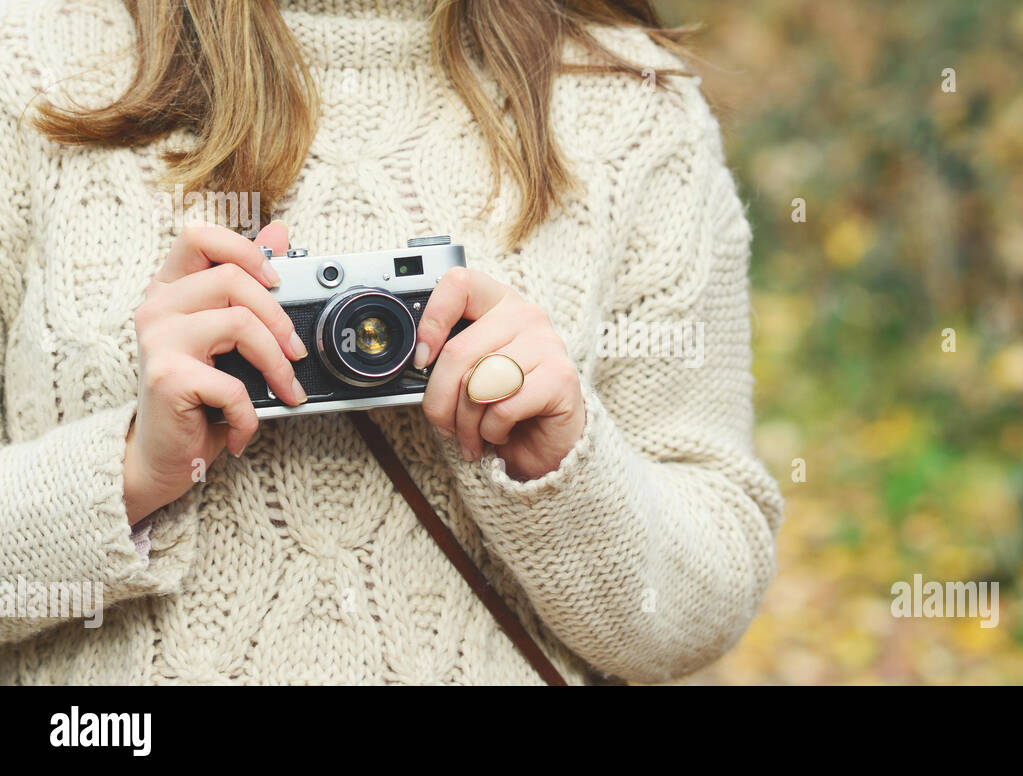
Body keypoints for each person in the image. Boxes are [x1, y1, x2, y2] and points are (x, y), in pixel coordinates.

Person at [0, 0, 783, 685]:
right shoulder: (34, 64)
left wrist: (566, 470)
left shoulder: (632, 105)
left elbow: (705, 605)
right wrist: (132, 469)